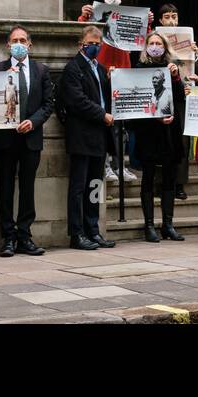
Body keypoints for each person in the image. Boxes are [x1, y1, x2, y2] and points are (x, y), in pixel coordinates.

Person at [0, 26, 55, 258]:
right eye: (14, 40)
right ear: (8, 45)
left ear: (30, 44)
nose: (19, 43)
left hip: (31, 138)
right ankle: (8, 237)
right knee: (5, 188)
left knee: (28, 188)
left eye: (22, 40)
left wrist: (33, 122)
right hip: (5, 139)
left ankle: (25, 236)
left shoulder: (41, 70)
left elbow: (48, 104)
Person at [58, 24, 117, 251]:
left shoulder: (100, 69)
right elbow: (76, 100)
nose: (95, 46)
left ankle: (93, 229)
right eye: (91, 43)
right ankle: (77, 232)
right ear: (81, 44)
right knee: (78, 186)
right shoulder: (73, 68)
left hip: (100, 137)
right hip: (81, 136)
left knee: (95, 185)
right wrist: (102, 115)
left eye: (98, 43)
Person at [130, 31, 187, 242]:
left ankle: (168, 224)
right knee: (149, 178)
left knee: (170, 179)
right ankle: (149, 225)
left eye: (158, 43)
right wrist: (155, 119)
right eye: (151, 43)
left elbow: (180, 97)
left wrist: (176, 77)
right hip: (149, 133)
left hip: (170, 133)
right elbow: (137, 104)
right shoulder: (139, 69)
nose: (155, 46)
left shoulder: (171, 69)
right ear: (146, 47)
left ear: (165, 47)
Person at [79, 0, 137, 182]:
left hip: (123, 75)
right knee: (106, 122)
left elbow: (142, 42)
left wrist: (146, 21)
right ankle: (105, 166)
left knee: (122, 126)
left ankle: (120, 165)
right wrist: (85, 16)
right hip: (102, 75)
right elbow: (82, 37)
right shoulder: (94, 16)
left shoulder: (129, 17)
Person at [156, 3, 198, 200]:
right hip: (163, 96)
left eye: (174, 16)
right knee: (163, 140)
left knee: (182, 140)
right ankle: (162, 183)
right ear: (160, 20)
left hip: (184, 94)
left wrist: (196, 52)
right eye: (167, 16)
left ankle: (180, 183)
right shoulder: (155, 40)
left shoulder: (186, 38)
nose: (171, 20)